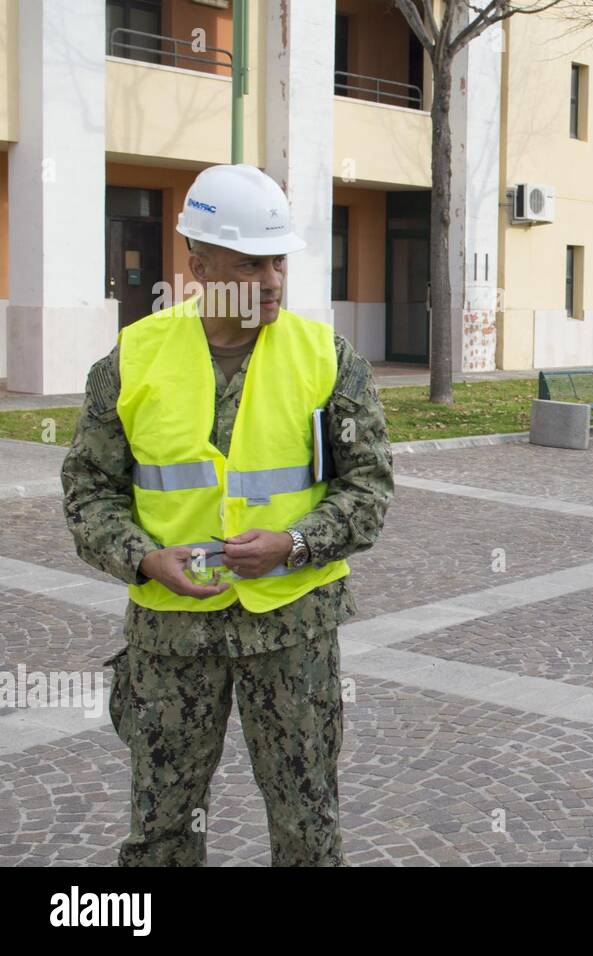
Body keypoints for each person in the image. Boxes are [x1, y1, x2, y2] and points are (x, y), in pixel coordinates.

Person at [62, 163, 394, 866]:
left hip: (292, 632)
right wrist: (143, 558)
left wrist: (296, 542)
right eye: (251, 263)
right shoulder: (131, 360)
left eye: (279, 260)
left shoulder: (328, 360)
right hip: (169, 638)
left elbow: (369, 493)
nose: (272, 280)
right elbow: (88, 493)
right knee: (160, 829)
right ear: (198, 263)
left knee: (308, 826)